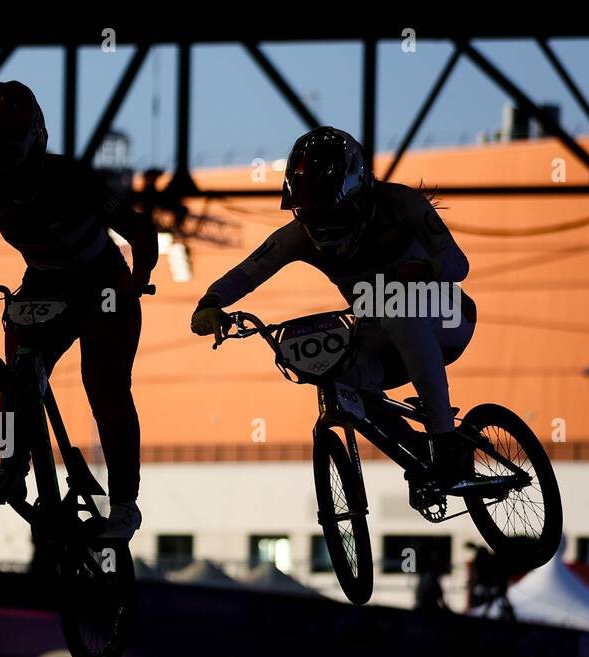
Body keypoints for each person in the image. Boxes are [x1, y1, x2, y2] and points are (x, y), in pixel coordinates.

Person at [191, 126, 476, 485]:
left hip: (448, 320)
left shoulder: (401, 204)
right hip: (381, 334)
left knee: (400, 314)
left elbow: (459, 265)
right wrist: (212, 300)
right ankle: (418, 450)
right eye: (309, 216)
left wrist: (429, 269)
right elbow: (251, 271)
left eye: (330, 213)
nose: (321, 226)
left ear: (358, 195)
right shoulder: (298, 236)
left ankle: (444, 438)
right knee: (342, 377)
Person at [0, 81, 158, 539]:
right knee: (18, 371)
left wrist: (136, 279)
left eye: (1, 156)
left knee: (104, 385)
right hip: (44, 281)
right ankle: (14, 466)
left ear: (34, 144)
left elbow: (140, 232)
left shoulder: (72, 177)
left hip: (103, 283)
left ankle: (125, 504)